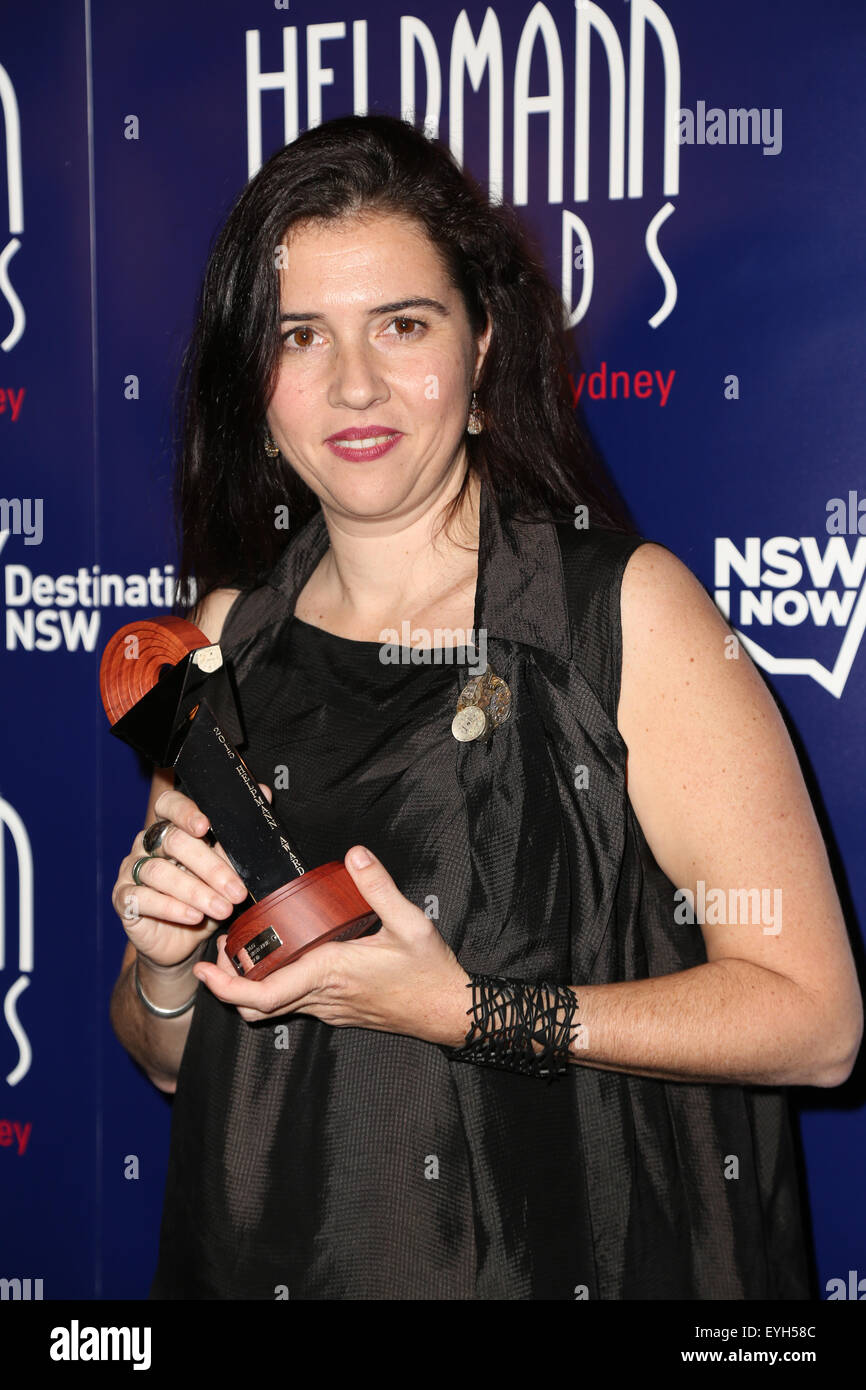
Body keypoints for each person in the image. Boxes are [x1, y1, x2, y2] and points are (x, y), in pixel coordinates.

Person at [109, 113, 861, 1301]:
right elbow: (170, 1062)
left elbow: (814, 1022)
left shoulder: (624, 612)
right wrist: (160, 966)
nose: (352, 382)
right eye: (300, 335)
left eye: (401, 324)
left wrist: (467, 1012)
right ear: (254, 385)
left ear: (478, 356)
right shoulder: (219, 638)